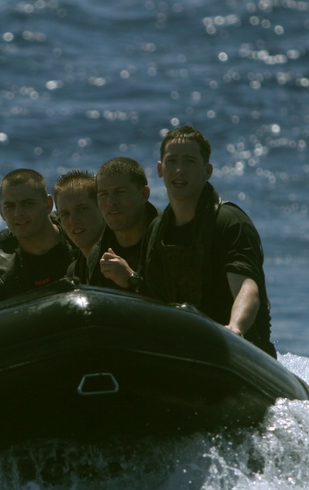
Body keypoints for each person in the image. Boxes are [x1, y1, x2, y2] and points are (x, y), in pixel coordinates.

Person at [143, 125, 276, 357]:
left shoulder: (229, 222)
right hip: (181, 349)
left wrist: (235, 328)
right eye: (172, 161)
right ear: (160, 169)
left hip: (236, 351)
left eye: (190, 162)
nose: (180, 170)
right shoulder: (157, 230)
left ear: (207, 171)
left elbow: (246, 287)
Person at [0, 168, 77, 310]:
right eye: (10, 206)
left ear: (48, 204)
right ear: (1, 211)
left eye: (28, 203)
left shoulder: (81, 241)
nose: (18, 213)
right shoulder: (4, 275)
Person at [83, 157, 159, 292]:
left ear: (144, 194)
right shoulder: (96, 256)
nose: (111, 202)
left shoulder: (167, 241)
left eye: (120, 192)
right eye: (103, 194)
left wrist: (131, 279)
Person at [53, 169, 106, 284]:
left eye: (82, 209)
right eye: (65, 214)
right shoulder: (74, 272)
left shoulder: (126, 259)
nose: (73, 221)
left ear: (102, 207)